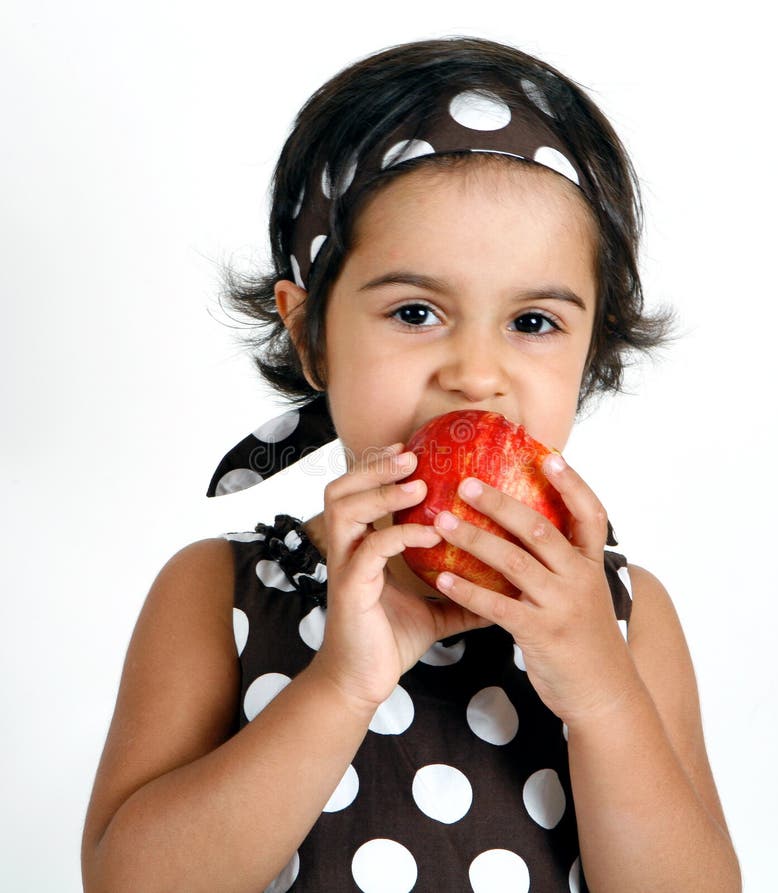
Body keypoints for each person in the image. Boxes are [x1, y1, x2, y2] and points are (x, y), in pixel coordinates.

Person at [81, 36, 741, 892]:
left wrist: (603, 696)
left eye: (534, 322)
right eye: (417, 310)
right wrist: (342, 684)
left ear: (590, 352)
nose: (474, 371)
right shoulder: (221, 592)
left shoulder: (620, 616)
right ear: (311, 333)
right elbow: (128, 882)